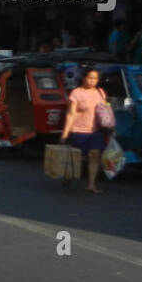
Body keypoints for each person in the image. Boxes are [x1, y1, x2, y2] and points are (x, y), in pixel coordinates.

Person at [60, 66, 109, 194]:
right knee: (79, 158)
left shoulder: (100, 92)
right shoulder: (76, 93)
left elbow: (104, 112)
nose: (92, 81)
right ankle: (68, 176)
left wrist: (110, 128)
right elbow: (71, 114)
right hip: (79, 130)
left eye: (95, 78)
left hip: (96, 131)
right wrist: (65, 133)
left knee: (94, 156)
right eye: (90, 78)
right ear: (83, 78)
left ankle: (91, 185)